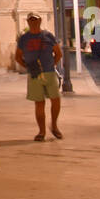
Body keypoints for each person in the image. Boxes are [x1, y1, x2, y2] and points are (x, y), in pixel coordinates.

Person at [15, 12, 63, 142]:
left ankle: (54, 125)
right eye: (31, 20)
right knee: (39, 103)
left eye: (35, 20)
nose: (33, 22)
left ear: (40, 20)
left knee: (56, 100)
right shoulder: (24, 39)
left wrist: (52, 64)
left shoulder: (48, 36)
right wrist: (28, 67)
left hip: (49, 72)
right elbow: (17, 56)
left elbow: (58, 53)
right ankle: (41, 131)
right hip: (34, 75)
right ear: (28, 22)